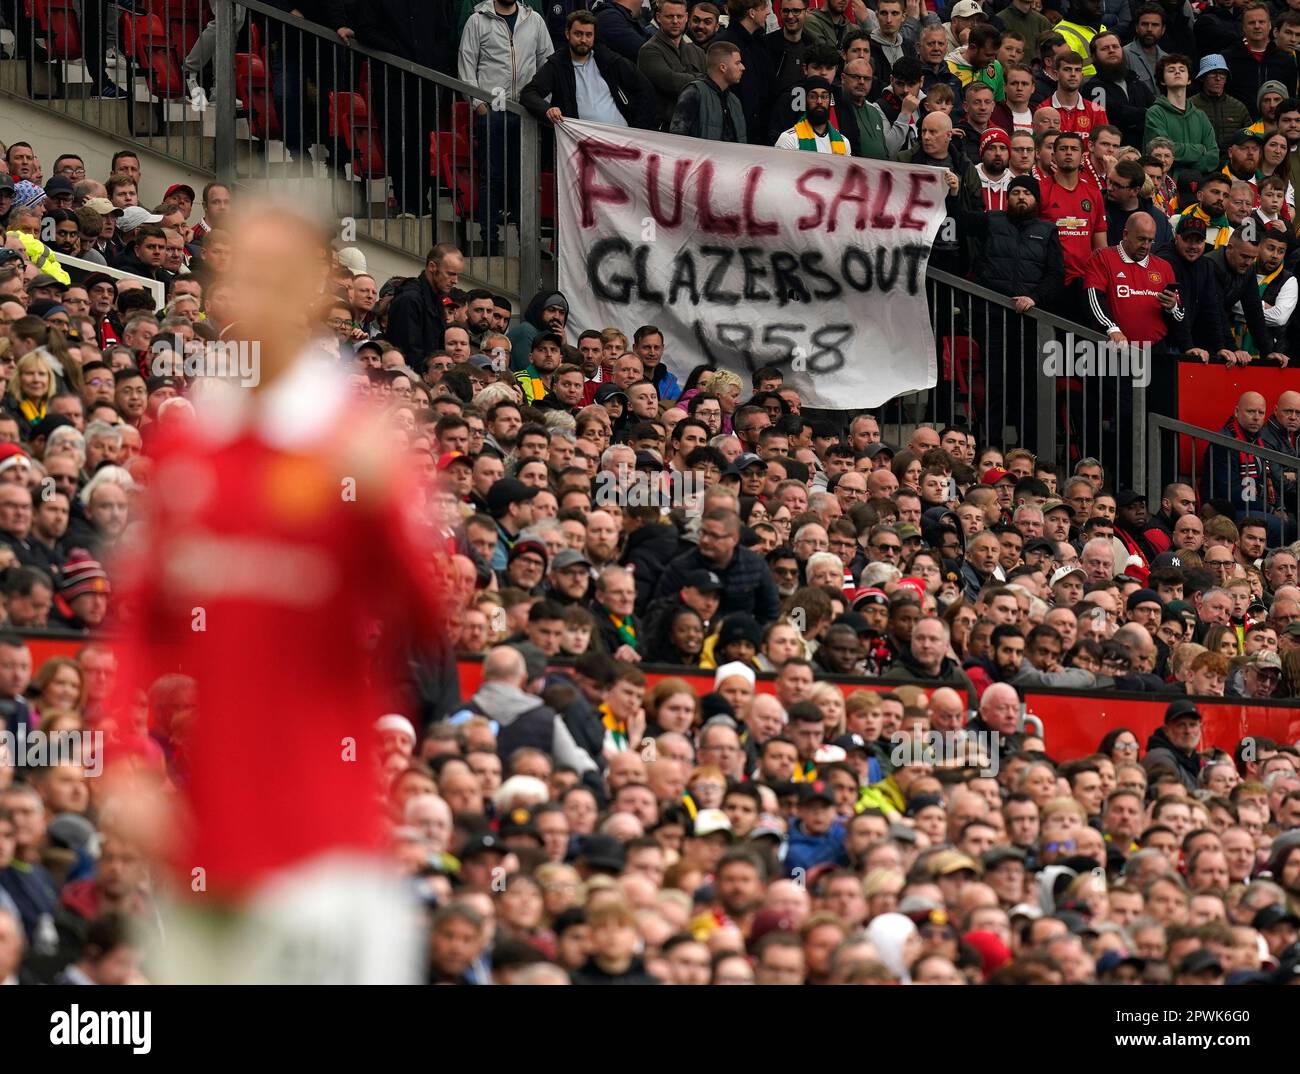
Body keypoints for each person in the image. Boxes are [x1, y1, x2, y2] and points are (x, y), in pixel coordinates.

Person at [521, 11, 658, 130]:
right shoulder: (557, 65)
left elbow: (644, 89)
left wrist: (639, 129)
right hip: (582, 145)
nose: (583, 40)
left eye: (588, 35)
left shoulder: (609, 60)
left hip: (622, 142)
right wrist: (547, 110)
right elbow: (529, 93)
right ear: (567, 34)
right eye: (578, 34)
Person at [637, 0, 707, 131]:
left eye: (679, 16)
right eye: (669, 16)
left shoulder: (698, 52)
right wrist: (704, 80)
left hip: (696, 128)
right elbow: (673, 83)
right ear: (658, 17)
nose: (675, 21)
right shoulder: (649, 50)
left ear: (686, 17)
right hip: (665, 130)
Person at [670, 41, 748, 142]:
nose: (743, 67)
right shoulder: (694, 93)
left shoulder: (734, 101)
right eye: (737, 63)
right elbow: (677, 138)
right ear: (722, 67)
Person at [775, 78, 850, 153]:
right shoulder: (789, 138)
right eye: (813, 97)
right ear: (805, 101)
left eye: (824, 97)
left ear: (830, 101)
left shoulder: (844, 142)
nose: (819, 102)